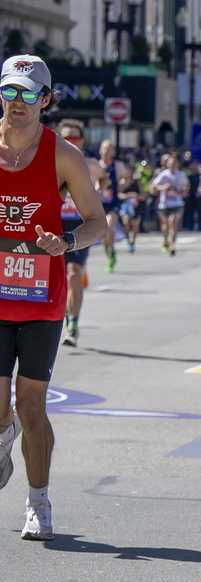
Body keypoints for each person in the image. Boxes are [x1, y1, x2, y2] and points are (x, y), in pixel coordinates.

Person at [0, 54, 106, 539]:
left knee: (31, 404)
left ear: (45, 99)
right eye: (8, 92)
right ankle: (4, 435)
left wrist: (64, 243)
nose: (16, 103)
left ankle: (38, 502)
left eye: (26, 94)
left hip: (41, 294)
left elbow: (96, 224)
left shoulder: (63, 155)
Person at [55, 120, 94, 347]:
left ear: (83, 141)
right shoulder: (49, 163)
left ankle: (73, 323)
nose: (71, 143)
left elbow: (106, 188)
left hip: (78, 227)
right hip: (52, 226)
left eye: (75, 139)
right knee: (55, 279)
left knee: (73, 273)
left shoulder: (90, 165)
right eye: (66, 138)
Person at [96, 139, 127, 272]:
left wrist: (121, 185)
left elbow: (127, 177)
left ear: (113, 151)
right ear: (100, 150)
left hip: (113, 203)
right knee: (104, 235)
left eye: (109, 148)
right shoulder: (96, 165)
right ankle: (110, 253)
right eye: (104, 148)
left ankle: (111, 251)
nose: (107, 151)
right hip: (99, 203)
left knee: (109, 227)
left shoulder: (117, 165)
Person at [151, 152, 187, 256]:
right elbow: (154, 186)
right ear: (167, 164)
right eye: (171, 163)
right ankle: (165, 240)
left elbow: (186, 187)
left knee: (173, 223)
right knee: (165, 225)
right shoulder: (163, 174)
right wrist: (163, 188)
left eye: (175, 163)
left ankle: (173, 245)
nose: (172, 165)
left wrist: (182, 191)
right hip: (164, 204)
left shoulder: (181, 174)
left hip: (177, 203)